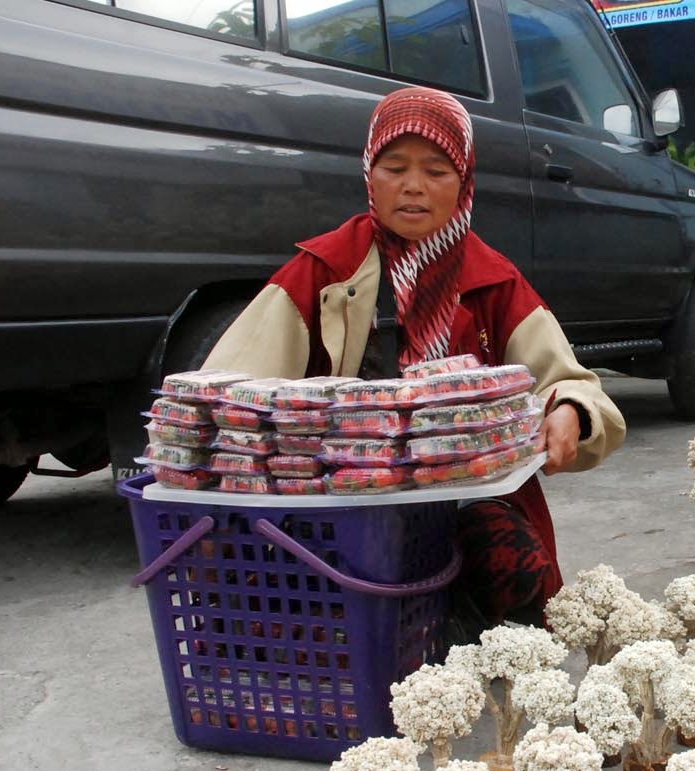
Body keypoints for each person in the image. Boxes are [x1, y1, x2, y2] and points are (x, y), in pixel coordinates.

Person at [202, 86, 626, 629]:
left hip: (466, 501)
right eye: (394, 167)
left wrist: (570, 410)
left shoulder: (493, 279)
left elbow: (575, 385)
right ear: (368, 174)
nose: (413, 187)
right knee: (256, 600)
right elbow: (222, 389)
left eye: (437, 171)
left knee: (516, 576)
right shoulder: (326, 271)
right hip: (340, 504)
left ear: (465, 180)